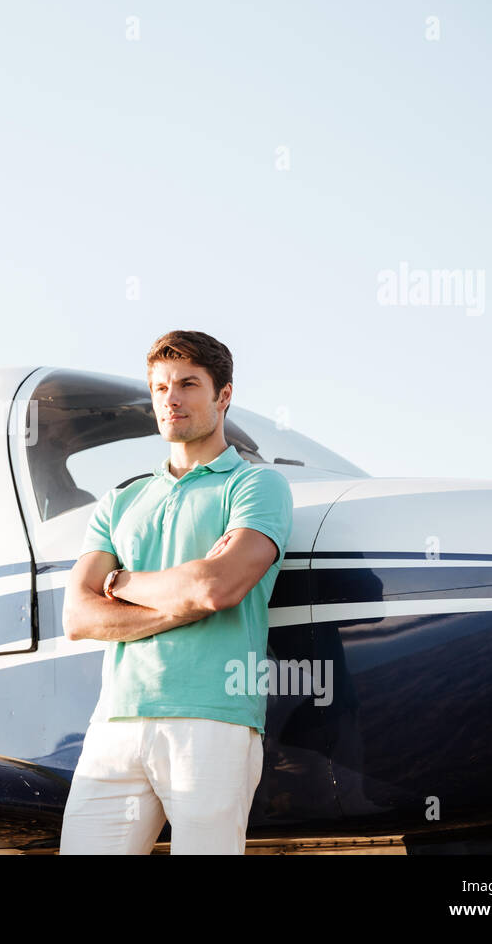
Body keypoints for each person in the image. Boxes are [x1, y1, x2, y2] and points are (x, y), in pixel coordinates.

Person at [59, 330, 293, 854]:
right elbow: (77, 615)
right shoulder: (120, 500)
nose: (171, 398)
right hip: (115, 724)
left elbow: (216, 586)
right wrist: (179, 601)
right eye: (161, 387)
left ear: (223, 396)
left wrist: (121, 584)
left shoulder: (256, 486)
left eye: (189, 384)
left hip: (213, 718)